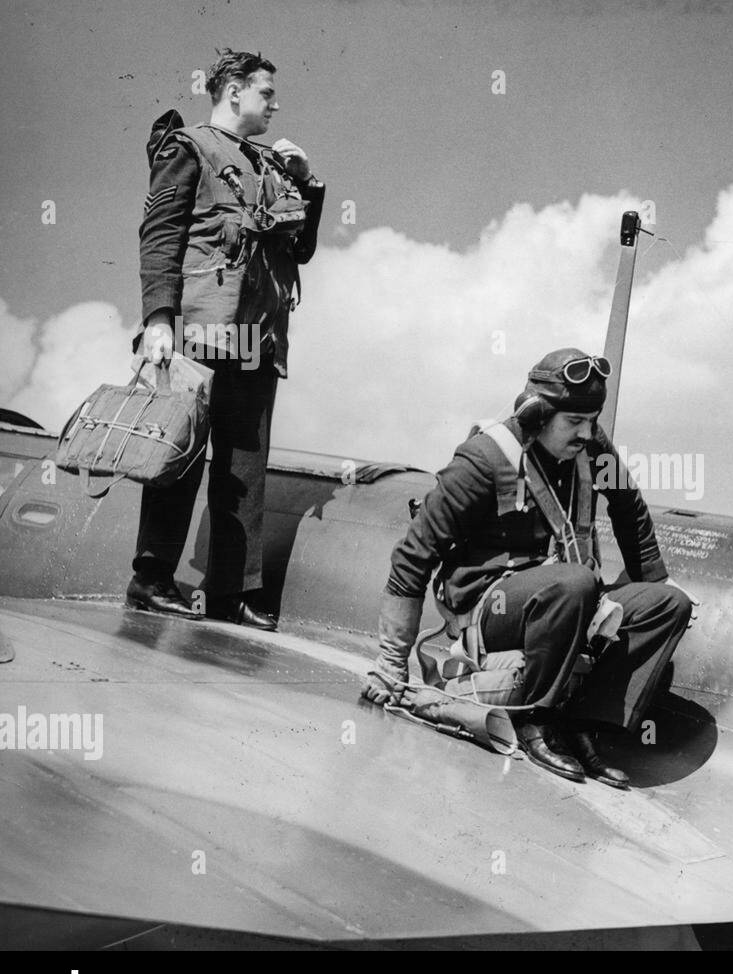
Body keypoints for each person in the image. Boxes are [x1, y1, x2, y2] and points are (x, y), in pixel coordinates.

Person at [362, 348, 696, 787]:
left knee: (667, 604)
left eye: (592, 420)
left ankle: (582, 725)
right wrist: (391, 666)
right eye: (574, 422)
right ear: (538, 415)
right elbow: (412, 557)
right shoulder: (482, 461)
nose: (587, 432)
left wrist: (655, 578)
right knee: (574, 583)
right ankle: (535, 719)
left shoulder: (591, 446)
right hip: (493, 609)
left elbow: (628, 505)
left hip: (568, 598)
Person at [125, 48, 326, 631]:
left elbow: (301, 249)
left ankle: (229, 593)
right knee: (180, 452)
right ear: (234, 90)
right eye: (267, 92)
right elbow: (159, 233)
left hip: (256, 336)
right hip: (202, 327)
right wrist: (158, 318)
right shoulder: (187, 147)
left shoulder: (273, 164)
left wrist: (307, 183)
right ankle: (153, 577)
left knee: (245, 467)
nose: (276, 104)